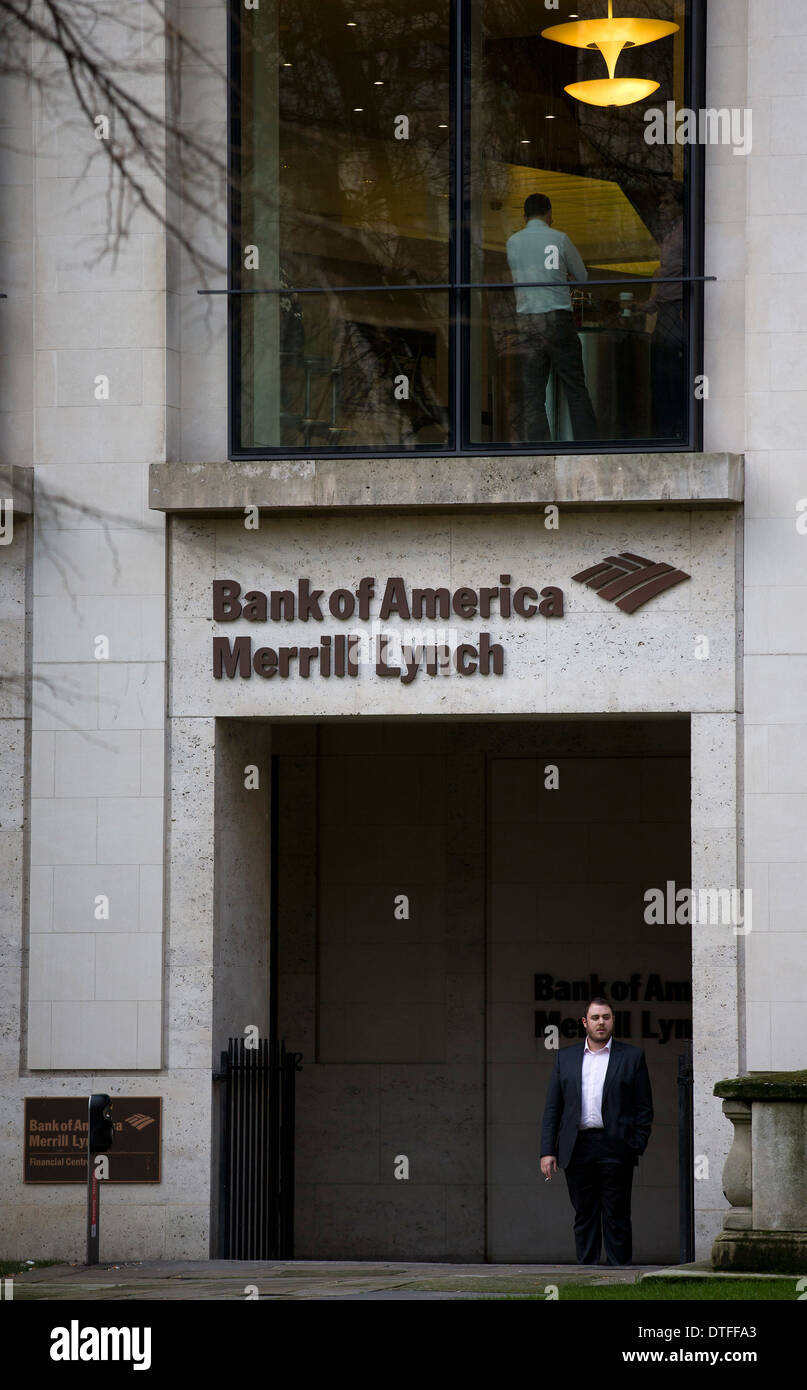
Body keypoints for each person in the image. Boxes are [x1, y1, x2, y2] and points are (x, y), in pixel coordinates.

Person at [539, 996, 653, 1266]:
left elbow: (644, 1108)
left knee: (617, 1214)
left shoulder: (632, 1057)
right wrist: (547, 1151)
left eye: (606, 1017)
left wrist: (635, 1144)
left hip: (617, 1146)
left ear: (613, 1021)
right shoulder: (565, 1058)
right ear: (584, 1023)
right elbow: (553, 1108)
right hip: (578, 1147)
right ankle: (586, 1275)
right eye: (595, 1018)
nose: (600, 1023)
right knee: (584, 1214)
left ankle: (621, 1276)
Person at [505, 193, 598, 442]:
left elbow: (519, 276)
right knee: (575, 387)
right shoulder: (560, 238)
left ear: (524, 216)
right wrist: (563, 279)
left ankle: (539, 447)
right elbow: (582, 276)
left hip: (527, 320)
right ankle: (588, 444)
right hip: (557, 318)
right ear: (549, 215)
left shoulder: (513, 242)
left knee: (533, 393)